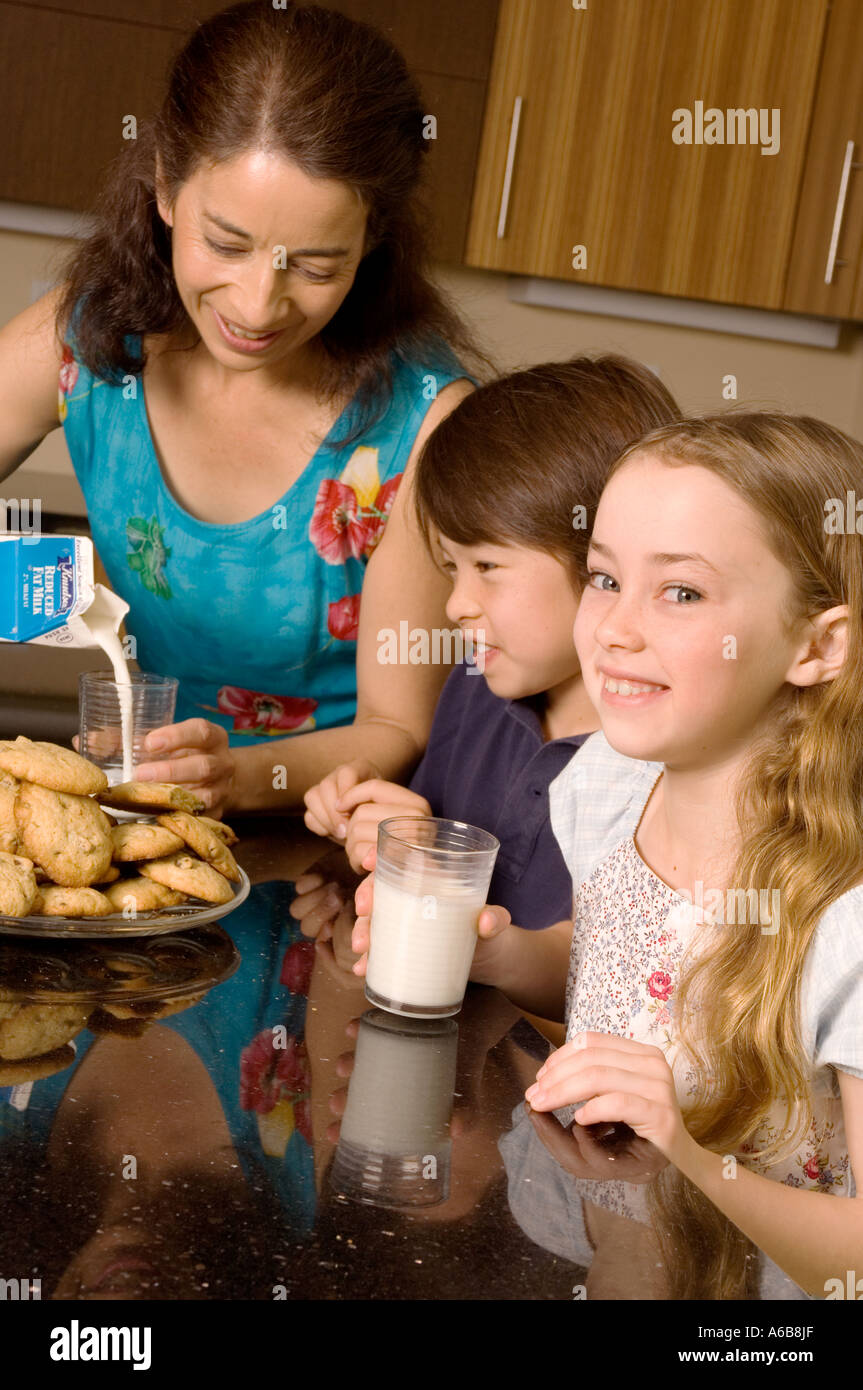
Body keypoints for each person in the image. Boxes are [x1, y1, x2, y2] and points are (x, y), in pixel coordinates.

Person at [353, 411, 863, 1299]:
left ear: (817, 645)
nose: (614, 631)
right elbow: (600, 967)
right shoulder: (605, 784)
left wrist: (691, 1155)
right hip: (609, 1251)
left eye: (681, 593)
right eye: (603, 578)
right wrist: (500, 950)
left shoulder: (844, 916)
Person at [0, 0, 490, 816]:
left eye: (317, 265)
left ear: (372, 239)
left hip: (319, 843)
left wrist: (241, 772)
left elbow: (396, 726)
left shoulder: (418, 428)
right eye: (224, 244)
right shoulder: (85, 340)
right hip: (139, 807)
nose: (258, 306)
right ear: (163, 187)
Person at [292, 356, 680, 939]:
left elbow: (618, 990)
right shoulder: (475, 688)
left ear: (604, 560)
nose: (455, 605)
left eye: (488, 565)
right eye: (452, 567)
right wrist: (383, 838)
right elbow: (419, 875)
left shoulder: (665, 760)